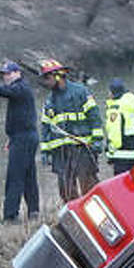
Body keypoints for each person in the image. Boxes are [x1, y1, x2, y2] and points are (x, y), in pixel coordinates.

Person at [0, 61, 40, 223]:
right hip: (22, 137)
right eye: (4, 74)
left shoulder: (21, 88)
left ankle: (11, 216)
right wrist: (12, 138)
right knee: (28, 176)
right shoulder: (20, 89)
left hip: (24, 138)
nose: (5, 77)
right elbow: (21, 117)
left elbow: (9, 92)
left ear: (17, 73)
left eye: (7, 73)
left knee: (15, 176)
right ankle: (34, 212)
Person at [36, 59, 103, 202]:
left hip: (83, 149)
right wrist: (45, 151)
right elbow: (46, 127)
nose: (45, 83)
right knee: (65, 191)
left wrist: (97, 141)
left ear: (58, 75)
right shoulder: (49, 101)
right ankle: (74, 218)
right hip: (61, 154)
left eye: (47, 78)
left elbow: (95, 118)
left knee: (89, 187)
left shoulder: (80, 92)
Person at [103, 78, 134, 175]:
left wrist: (110, 153)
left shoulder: (115, 107)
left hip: (121, 156)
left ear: (112, 93)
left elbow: (115, 135)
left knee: (122, 187)